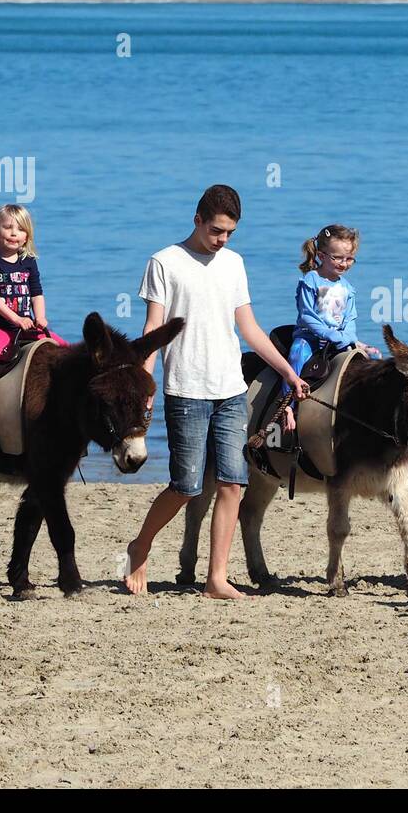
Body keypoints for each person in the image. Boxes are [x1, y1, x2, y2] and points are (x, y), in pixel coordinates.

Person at [123, 185, 309, 599]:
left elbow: (249, 328)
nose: (222, 239)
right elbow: (152, 330)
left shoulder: (234, 264)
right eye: (215, 230)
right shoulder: (164, 262)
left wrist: (288, 372)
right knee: (186, 486)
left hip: (230, 390)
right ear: (197, 220)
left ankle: (216, 578)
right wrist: (143, 384)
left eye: (229, 233)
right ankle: (141, 545)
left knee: (233, 484)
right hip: (185, 389)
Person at [0, 205, 68, 432]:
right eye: (8, 227)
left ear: (27, 237)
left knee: (64, 347)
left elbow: (37, 292)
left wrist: (40, 316)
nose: (14, 233)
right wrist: (15, 319)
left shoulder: (29, 261)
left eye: (20, 229)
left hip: (26, 325)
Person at [279, 225, 380, 432]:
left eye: (349, 258)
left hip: (340, 338)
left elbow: (350, 317)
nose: (344, 264)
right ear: (321, 255)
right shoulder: (311, 280)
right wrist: (331, 335)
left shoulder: (347, 288)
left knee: (374, 357)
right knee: (297, 355)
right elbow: (307, 316)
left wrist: (349, 337)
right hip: (310, 336)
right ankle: (287, 406)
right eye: (337, 258)